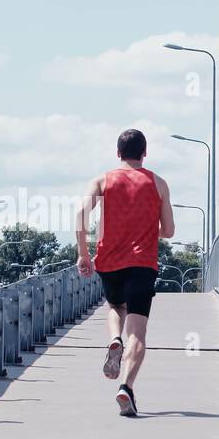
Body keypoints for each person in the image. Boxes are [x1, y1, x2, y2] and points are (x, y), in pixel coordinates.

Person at [75, 129, 174, 417]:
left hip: (110, 262)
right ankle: (126, 387)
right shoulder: (158, 183)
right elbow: (168, 231)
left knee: (116, 305)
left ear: (118, 153)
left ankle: (114, 339)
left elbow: (81, 215)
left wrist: (83, 254)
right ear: (145, 153)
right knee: (139, 332)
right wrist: (146, 231)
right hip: (143, 264)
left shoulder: (102, 181)